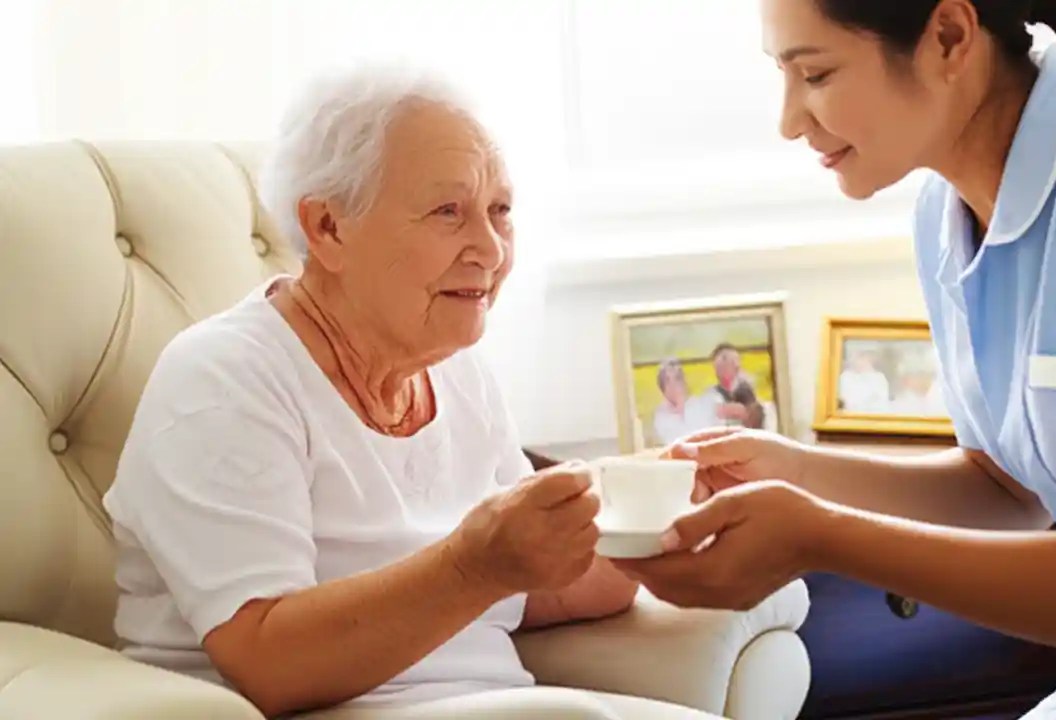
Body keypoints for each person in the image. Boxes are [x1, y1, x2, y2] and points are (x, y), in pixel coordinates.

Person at [615, 1, 1056, 718]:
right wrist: (795, 470)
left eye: (815, 73)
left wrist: (818, 535)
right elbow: (1006, 493)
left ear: (950, 37)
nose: (789, 120)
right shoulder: (946, 213)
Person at [102, 66, 713, 719]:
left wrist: (656, 526)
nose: (489, 248)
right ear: (328, 229)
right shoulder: (225, 379)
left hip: (494, 704)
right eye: (449, 212)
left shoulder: (456, 370)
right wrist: (473, 565)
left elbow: (529, 593)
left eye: (499, 211)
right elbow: (267, 662)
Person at [652, 359, 720, 446]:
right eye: (667, 381)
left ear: (684, 381)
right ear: (663, 389)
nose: (674, 384)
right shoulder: (661, 416)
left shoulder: (704, 404)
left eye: (677, 378)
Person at [701, 344, 766, 430]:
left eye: (725, 359)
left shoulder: (747, 387)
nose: (721, 365)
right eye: (719, 361)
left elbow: (751, 413)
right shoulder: (711, 394)